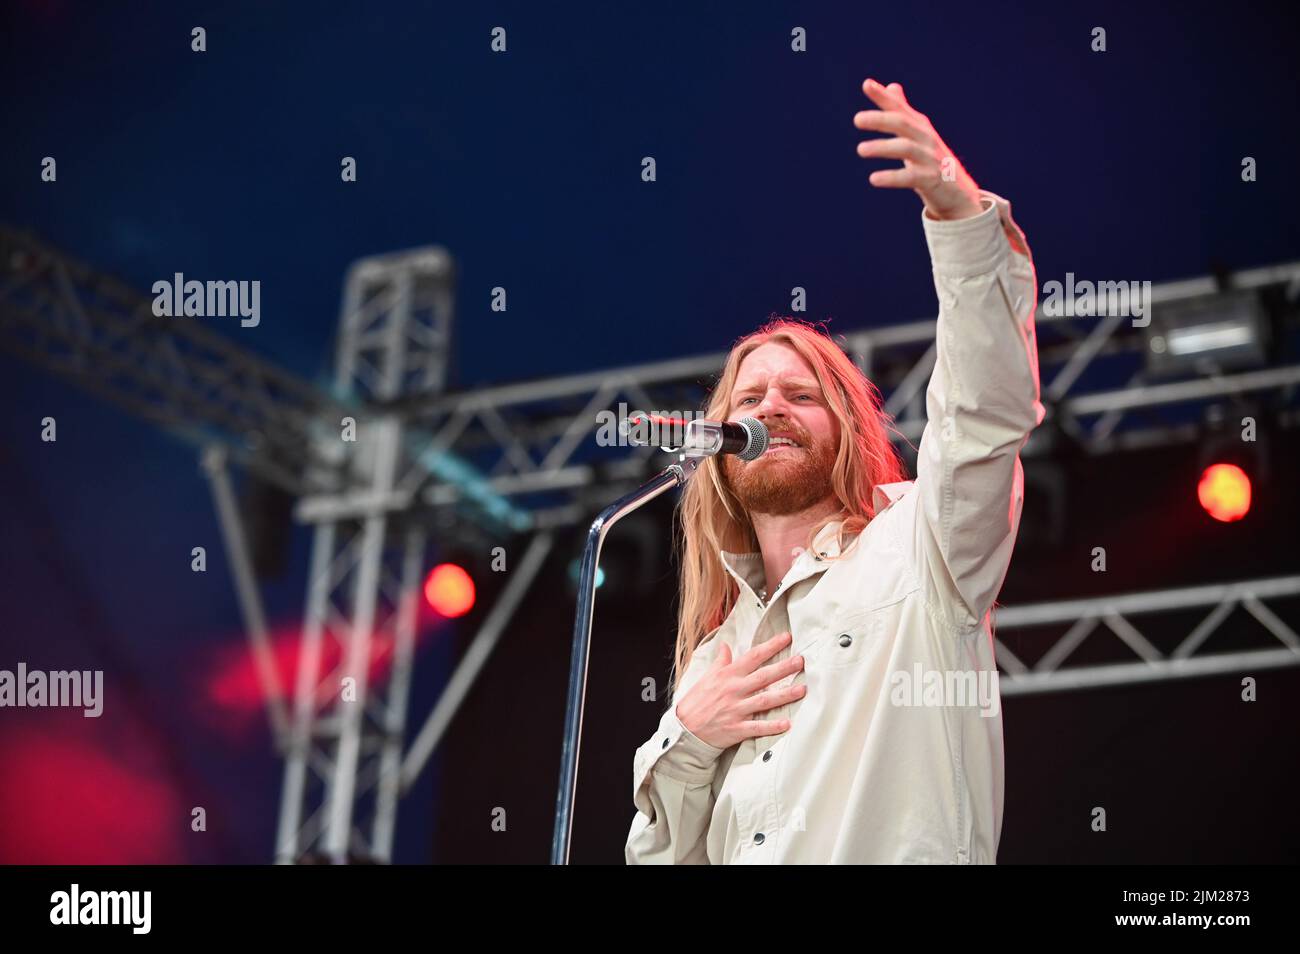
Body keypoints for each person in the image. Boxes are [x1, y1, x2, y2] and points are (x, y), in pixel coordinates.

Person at [624, 78, 1044, 864]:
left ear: (846, 428)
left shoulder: (922, 550)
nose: (771, 406)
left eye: (800, 394)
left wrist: (960, 220)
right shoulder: (716, 658)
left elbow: (983, 416)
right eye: (750, 396)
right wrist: (687, 736)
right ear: (719, 441)